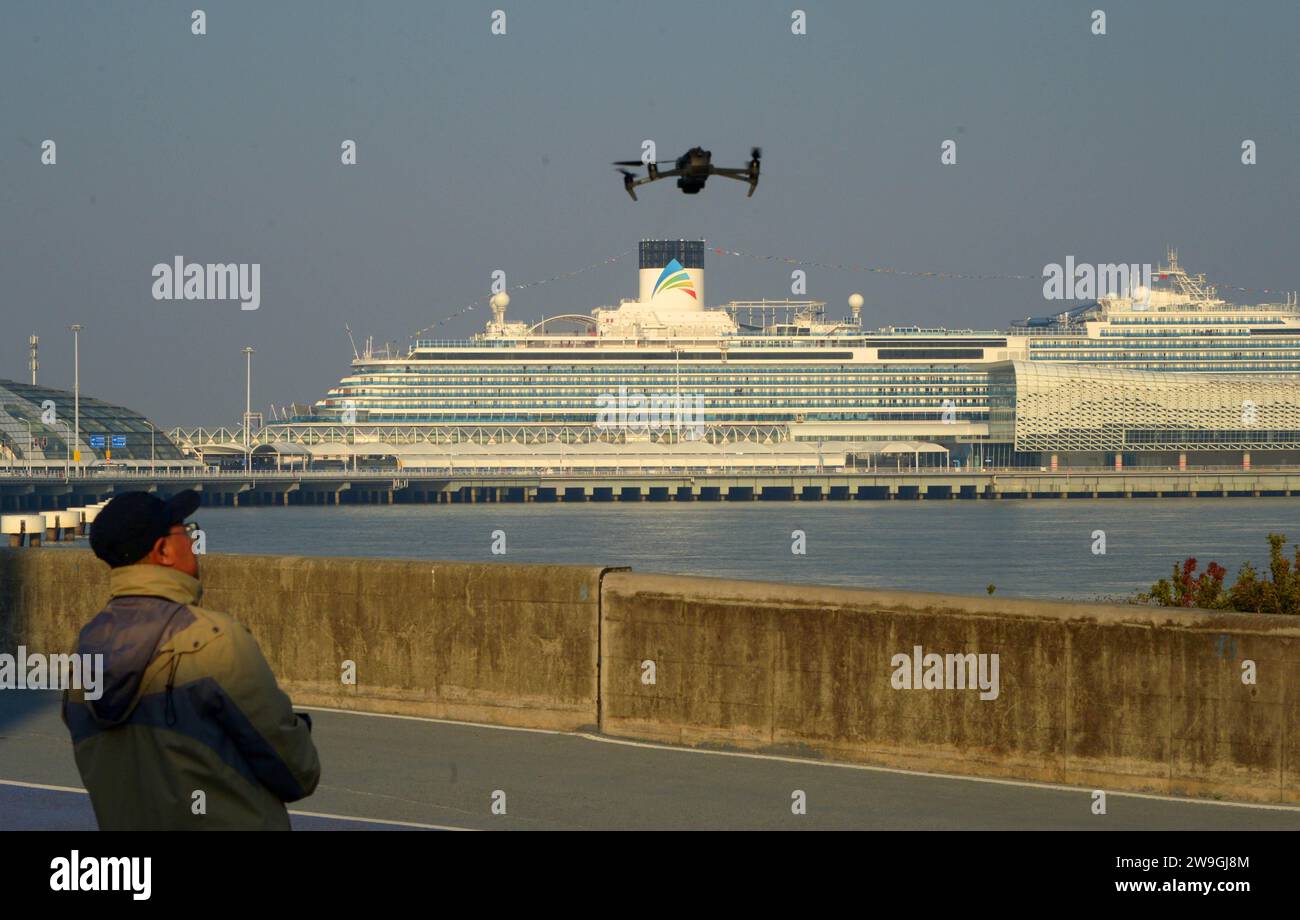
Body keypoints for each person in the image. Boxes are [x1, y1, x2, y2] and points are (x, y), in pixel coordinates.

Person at [62, 489, 320, 830]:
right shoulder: (215, 641)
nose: (193, 540)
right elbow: (297, 771)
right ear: (164, 550)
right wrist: (298, 729)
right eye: (186, 531)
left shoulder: (84, 654)